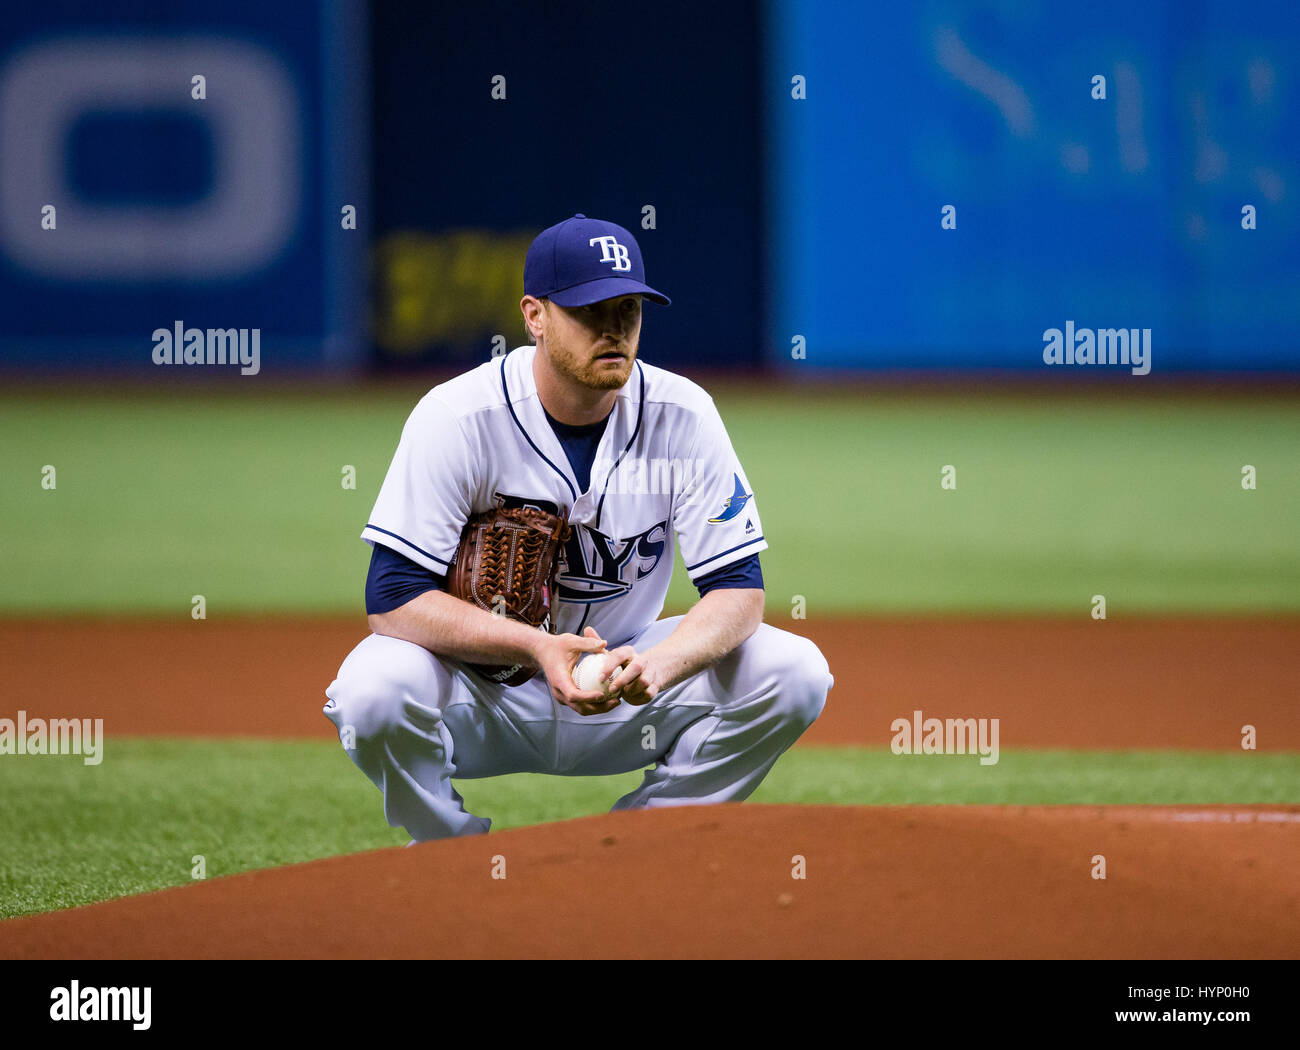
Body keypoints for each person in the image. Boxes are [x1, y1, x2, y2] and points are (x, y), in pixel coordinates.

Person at [324, 214, 833, 841]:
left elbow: (739, 589)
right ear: (534, 316)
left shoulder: (685, 414)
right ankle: (446, 852)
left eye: (628, 310)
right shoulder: (458, 416)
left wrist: (661, 666)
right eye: (591, 311)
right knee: (371, 690)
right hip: (488, 694)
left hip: (625, 689)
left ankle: (642, 845)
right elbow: (391, 599)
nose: (614, 328)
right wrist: (535, 645)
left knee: (795, 672)